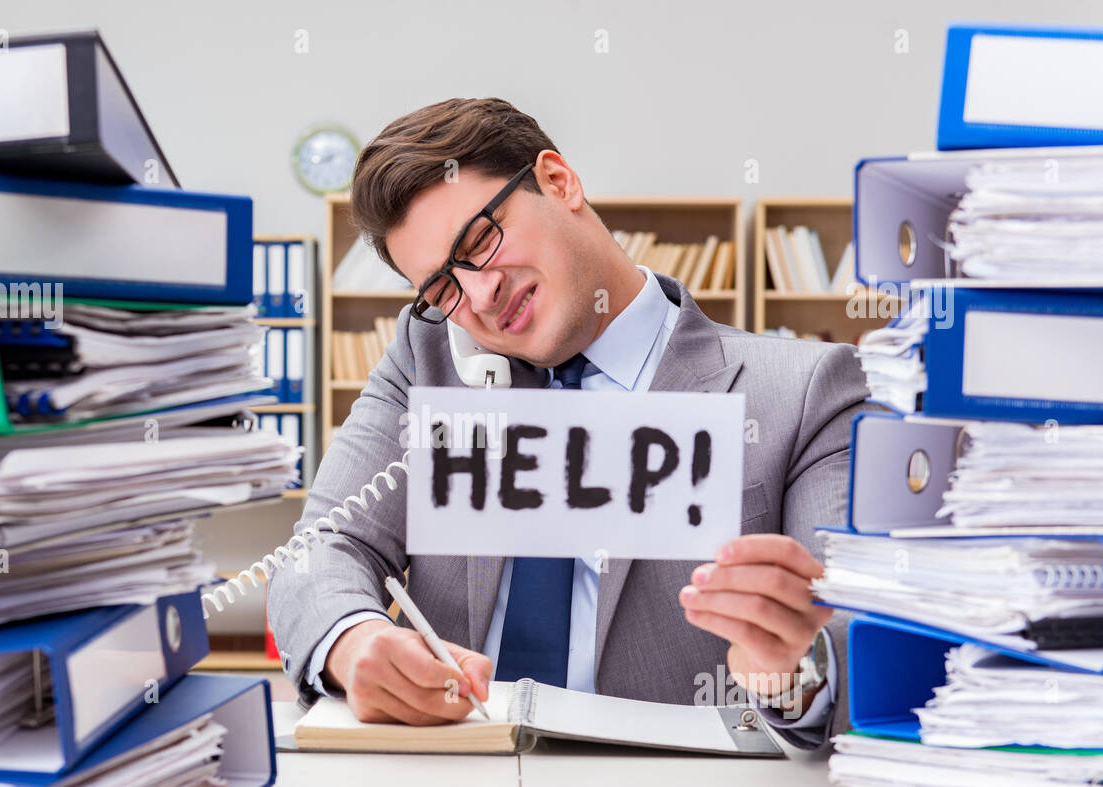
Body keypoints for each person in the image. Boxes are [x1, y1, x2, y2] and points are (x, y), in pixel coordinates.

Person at [267, 97, 871, 748]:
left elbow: (856, 643)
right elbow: (318, 551)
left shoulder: (805, 390)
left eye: (479, 241)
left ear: (559, 182)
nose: (479, 296)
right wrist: (355, 641)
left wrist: (794, 674)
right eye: (443, 288)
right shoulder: (430, 359)